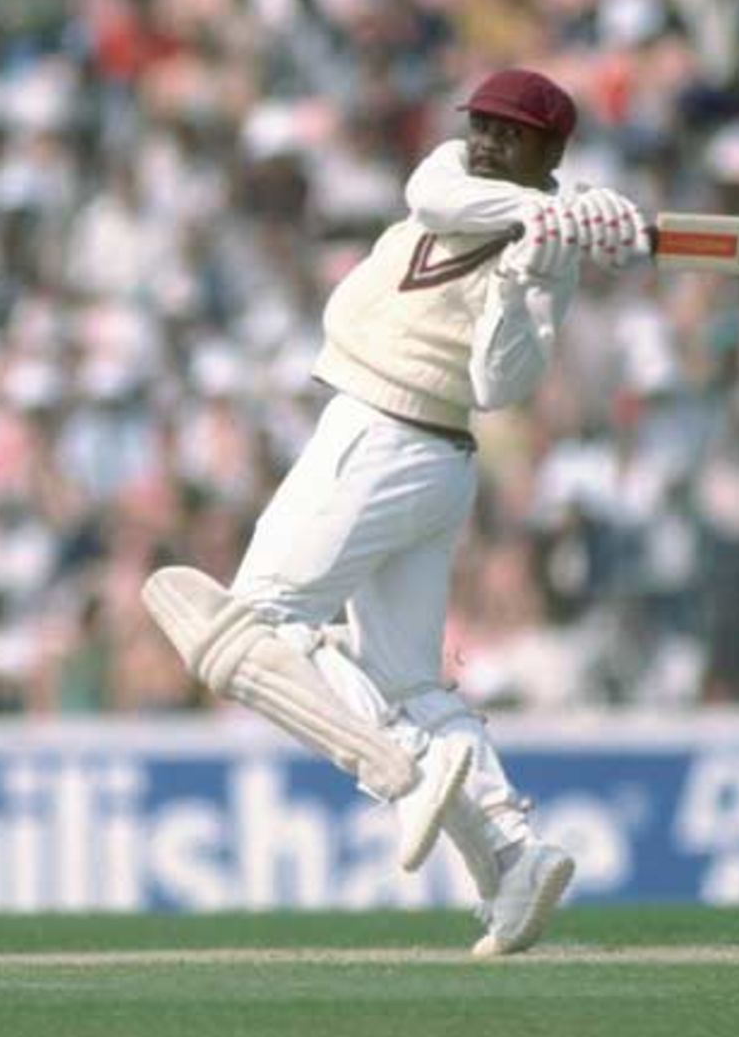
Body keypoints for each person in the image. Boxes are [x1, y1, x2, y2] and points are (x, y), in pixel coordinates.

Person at [142, 68, 644, 954]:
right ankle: (514, 858)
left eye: (509, 134)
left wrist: (529, 272)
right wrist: (537, 218)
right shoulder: (455, 178)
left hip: (390, 435)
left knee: (252, 624)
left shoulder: (548, 253)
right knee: (411, 680)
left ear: (552, 151)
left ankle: (395, 768)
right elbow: (437, 194)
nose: (487, 141)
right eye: (482, 125)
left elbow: (501, 383)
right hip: (418, 461)